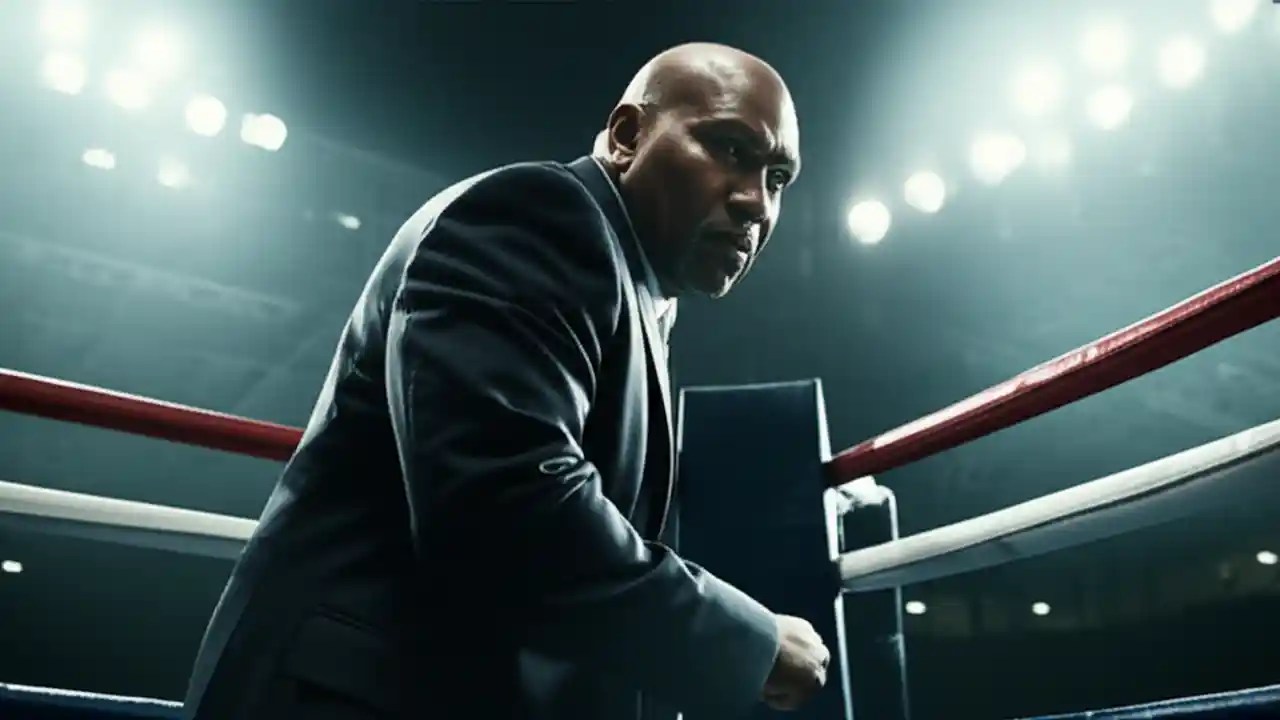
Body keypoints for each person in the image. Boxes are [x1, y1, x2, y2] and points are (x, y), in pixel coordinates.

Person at [182, 42, 828, 720]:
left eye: (778, 177)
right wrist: (746, 642)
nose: (755, 202)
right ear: (628, 136)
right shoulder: (540, 218)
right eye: (729, 149)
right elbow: (508, 506)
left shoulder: (628, 286)